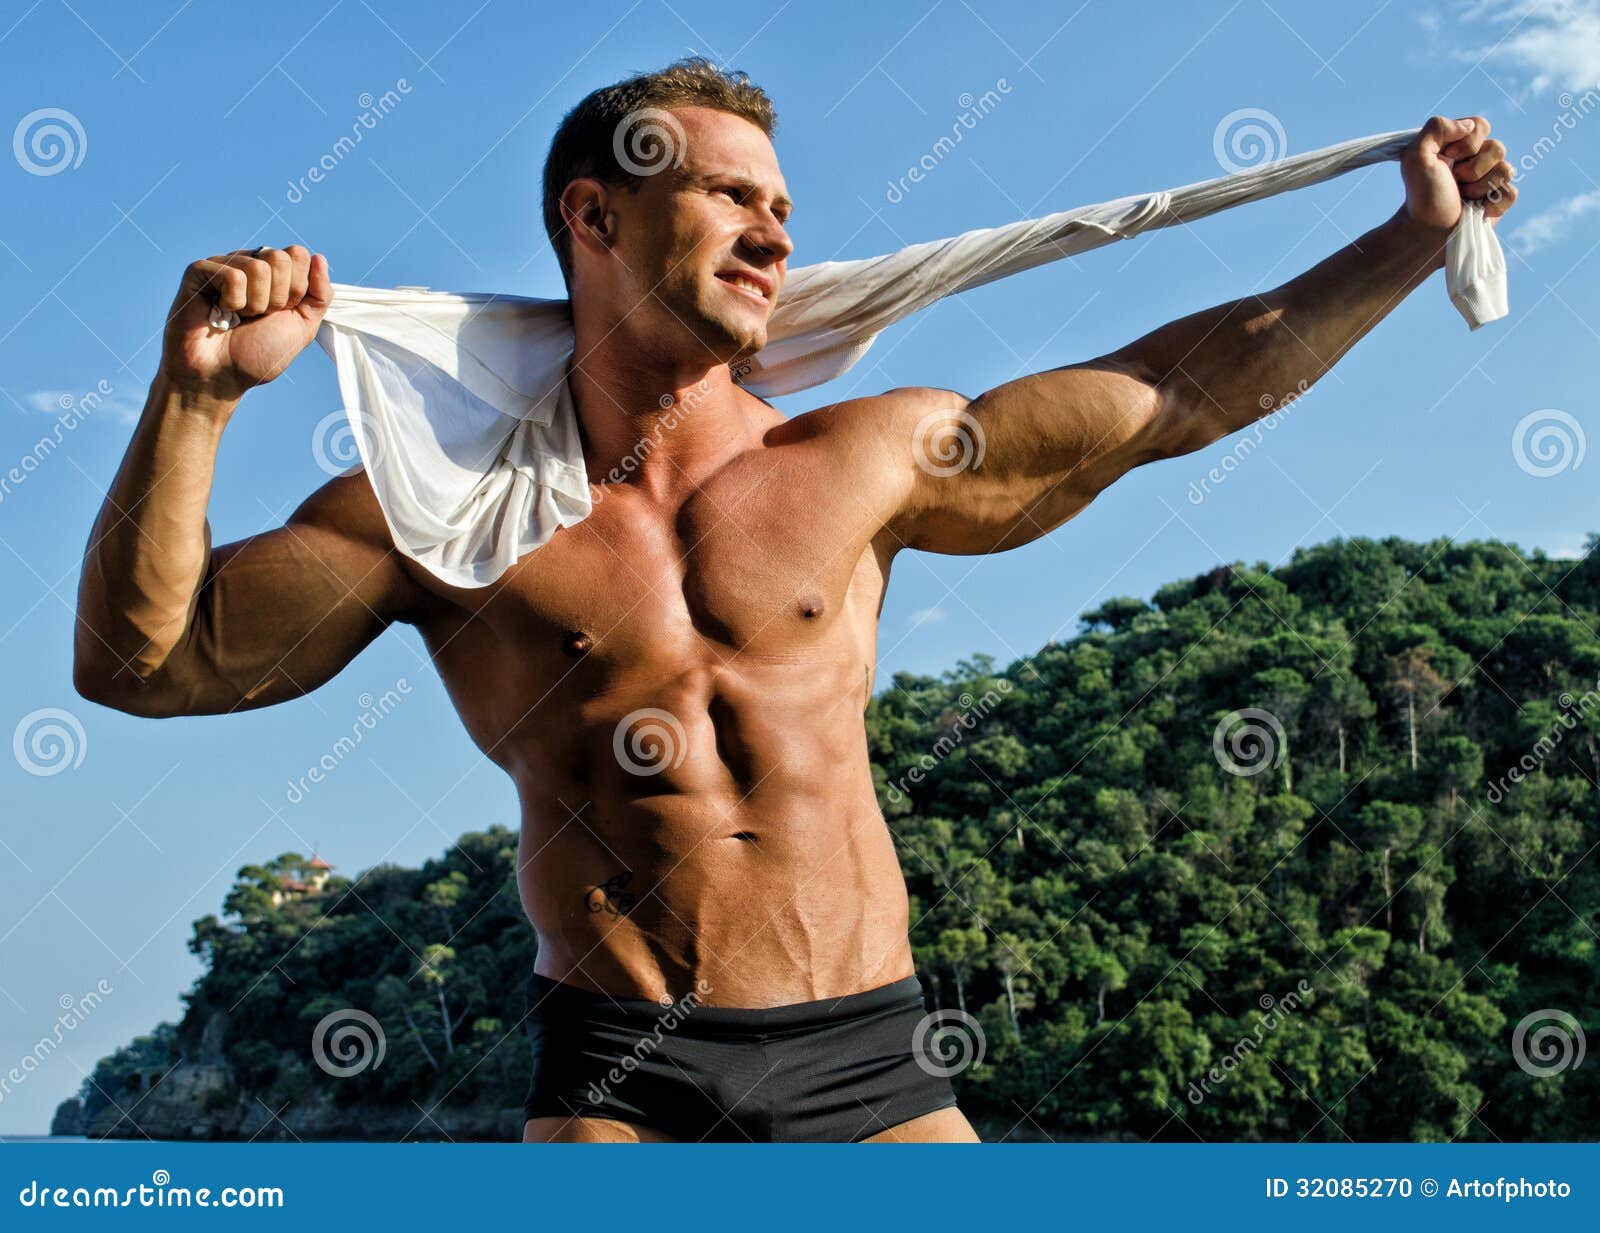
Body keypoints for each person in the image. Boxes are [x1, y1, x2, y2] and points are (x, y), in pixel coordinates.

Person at [71, 59, 1517, 1143]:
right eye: (726, 196)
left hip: (872, 1063)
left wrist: (1403, 242)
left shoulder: (861, 459)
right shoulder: (443, 515)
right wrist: (192, 402)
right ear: (595, 211)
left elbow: (1171, 399)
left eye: (782, 207)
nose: (771, 233)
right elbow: (149, 666)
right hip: (619, 1081)